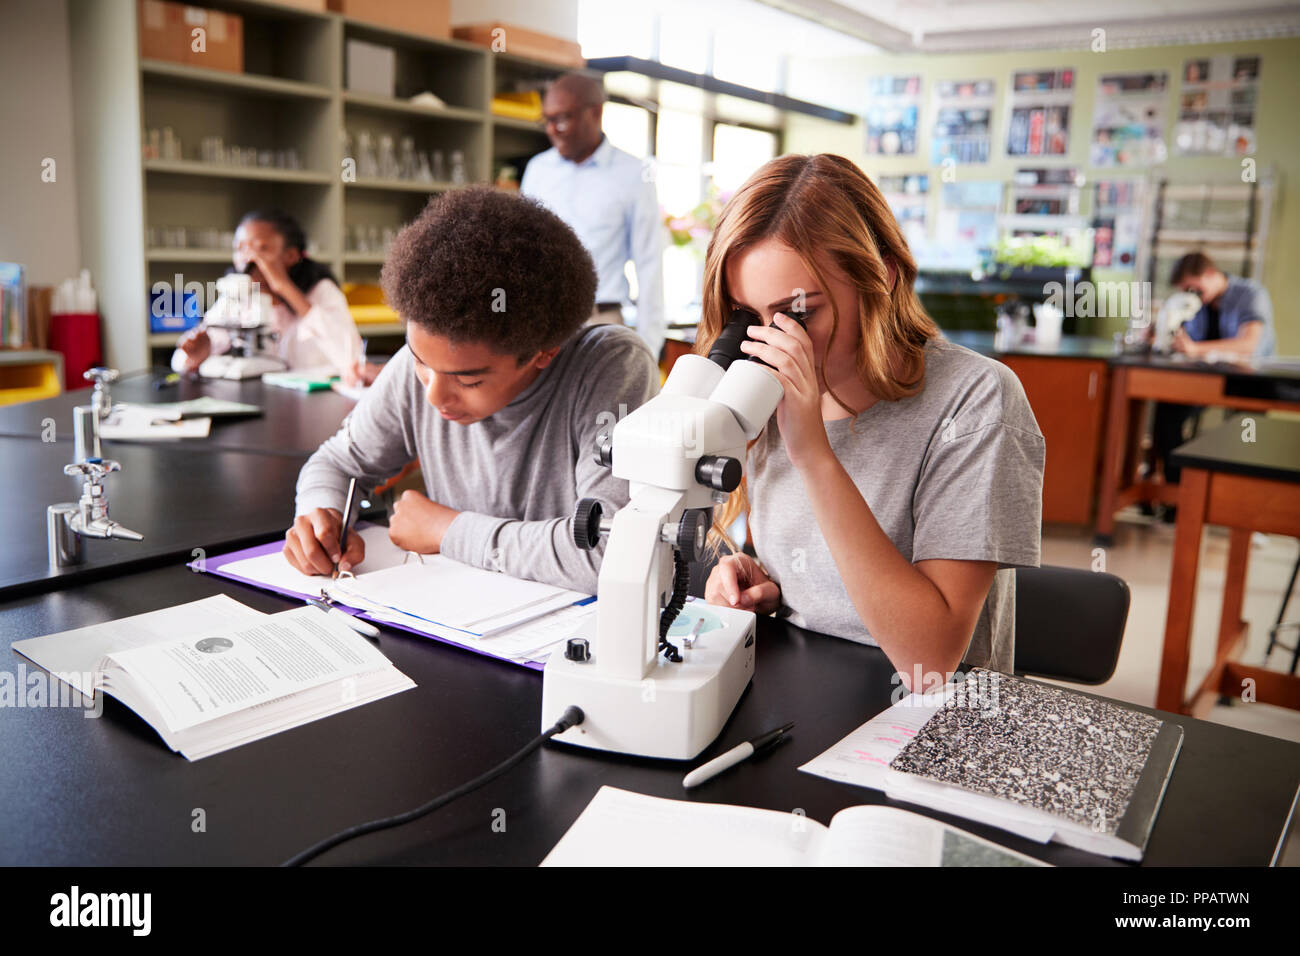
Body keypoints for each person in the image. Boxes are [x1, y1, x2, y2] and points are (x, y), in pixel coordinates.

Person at [699, 154, 1045, 688]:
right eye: (749, 317)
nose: (773, 345)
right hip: (805, 689)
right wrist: (756, 577)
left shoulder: (975, 401)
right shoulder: (761, 388)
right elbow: (817, 567)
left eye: (798, 313)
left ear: (878, 277)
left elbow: (928, 660)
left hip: (932, 718)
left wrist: (814, 456)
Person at [283, 186, 660, 593]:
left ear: (543, 354)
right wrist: (321, 514)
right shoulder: (427, 364)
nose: (434, 396)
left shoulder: (611, 366)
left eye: (469, 380)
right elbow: (339, 463)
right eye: (419, 362)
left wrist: (450, 530)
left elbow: (611, 549)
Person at [521, 73, 667, 361]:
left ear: (596, 112)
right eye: (547, 120)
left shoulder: (634, 174)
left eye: (562, 119)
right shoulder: (537, 170)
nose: (553, 130)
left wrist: (649, 344)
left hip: (601, 323)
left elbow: (649, 263)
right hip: (541, 323)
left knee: (609, 407)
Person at [173, 209, 376, 385]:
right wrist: (197, 354)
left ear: (291, 256)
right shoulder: (238, 296)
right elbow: (180, 359)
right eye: (240, 248)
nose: (248, 258)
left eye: (261, 248)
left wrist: (284, 287)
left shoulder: (322, 291)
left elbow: (352, 359)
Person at [1150, 251, 1276, 493]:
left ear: (1209, 274)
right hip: (1205, 380)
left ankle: (1237, 498)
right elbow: (1184, 341)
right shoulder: (1196, 304)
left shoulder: (1250, 294)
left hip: (1248, 381)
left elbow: (1248, 344)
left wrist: (1196, 349)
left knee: (1246, 434)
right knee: (1167, 413)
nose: (1190, 294)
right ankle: (1177, 496)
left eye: (1192, 287)